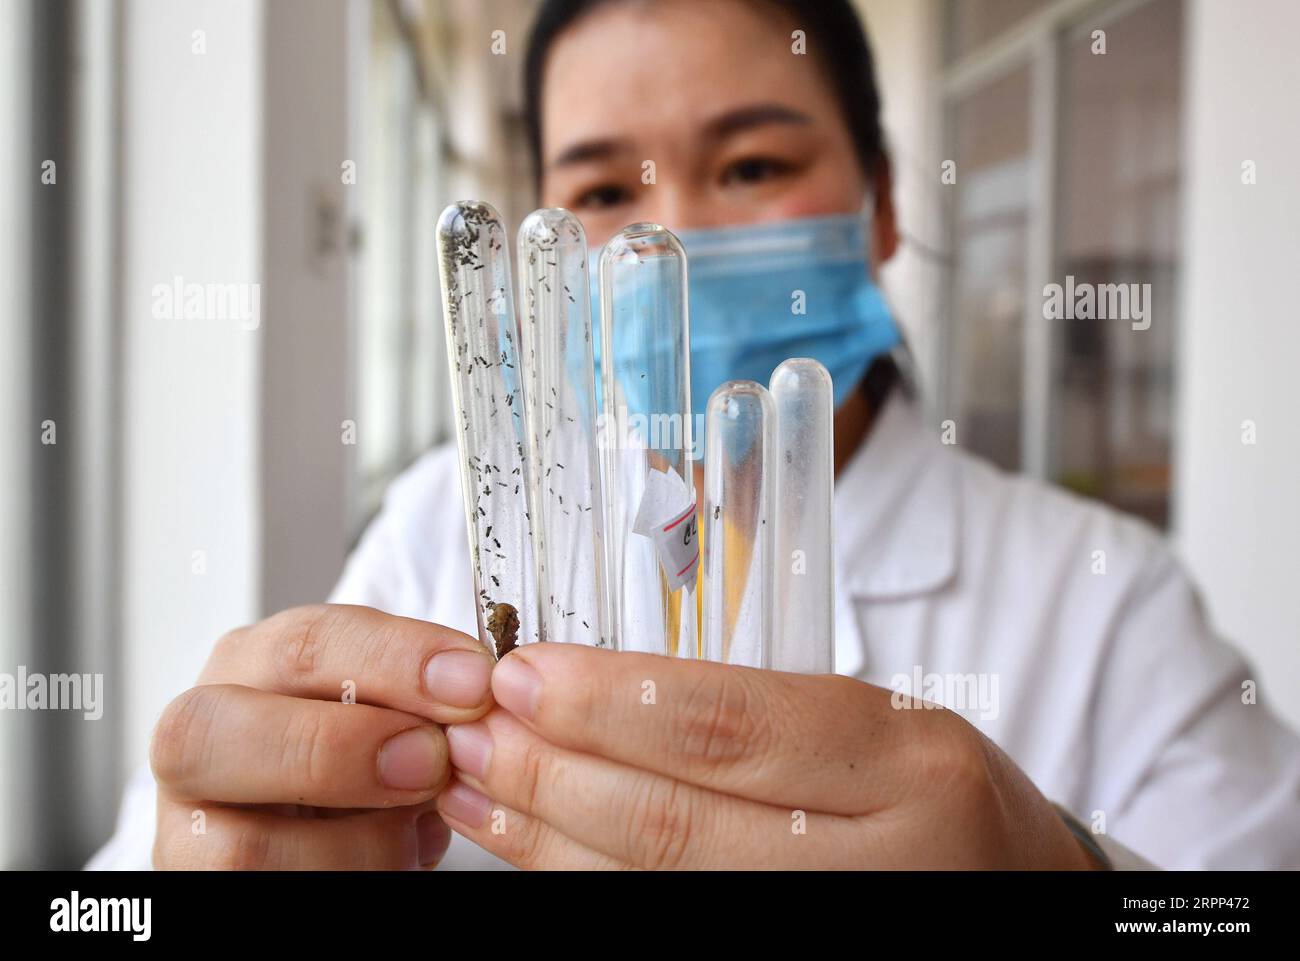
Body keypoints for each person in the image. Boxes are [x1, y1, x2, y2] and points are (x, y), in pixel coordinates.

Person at [91, 0, 1299, 871]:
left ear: (881, 205)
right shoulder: (437, 526)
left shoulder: (1107, 603)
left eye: (753, 162)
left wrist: (1063, 867)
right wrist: (181, 861)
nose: (669, 240)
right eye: (607, 190)